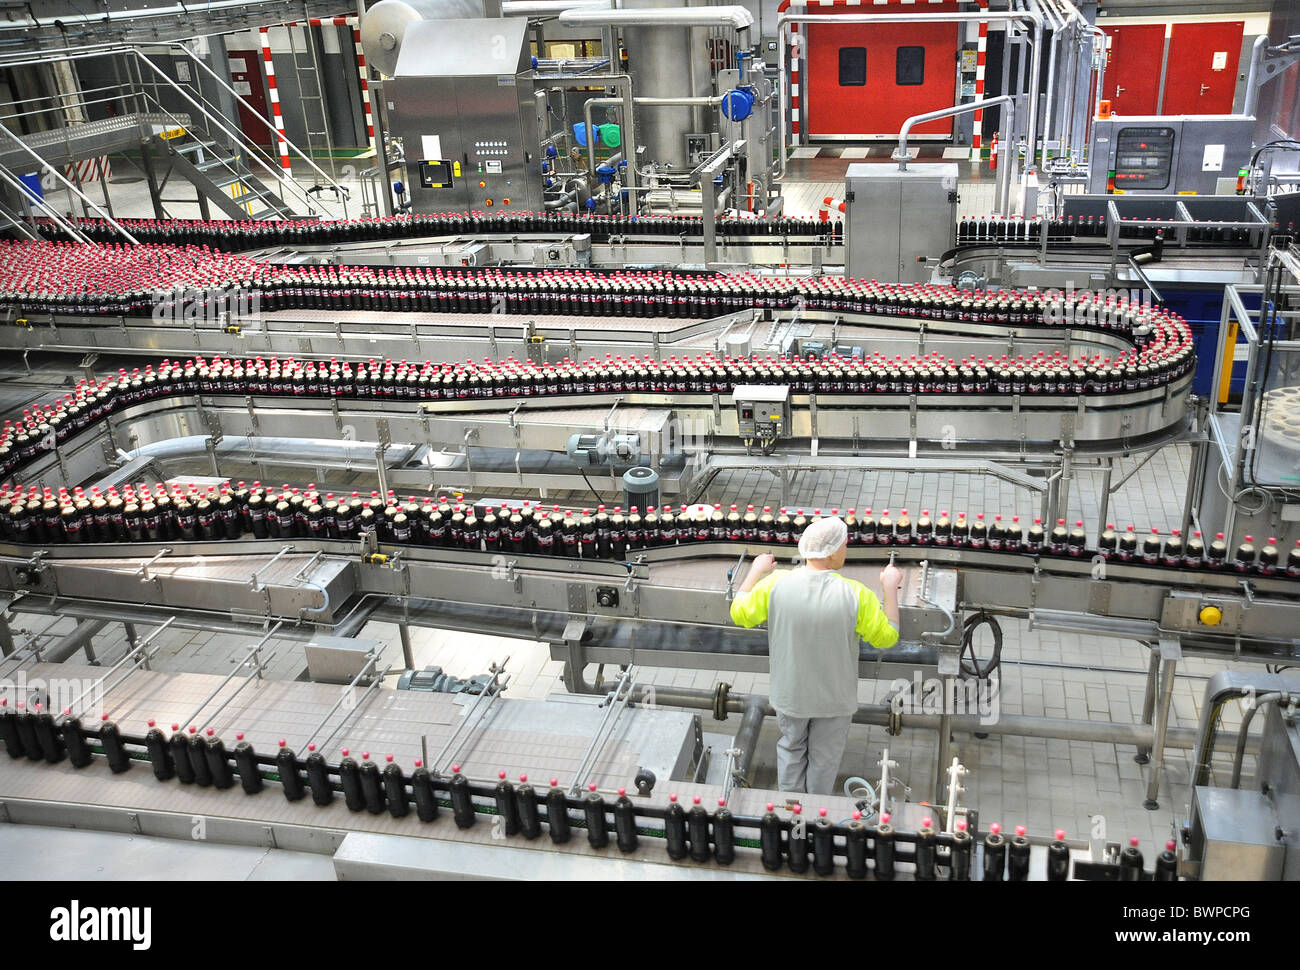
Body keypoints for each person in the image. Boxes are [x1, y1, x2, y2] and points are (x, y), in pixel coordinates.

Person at [729, 515, 901, 795]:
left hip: (791, 695)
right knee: (825, 759)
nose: (847, 549)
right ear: (833, 553)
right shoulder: (855, 594)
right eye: (846, 545)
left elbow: (739, 612)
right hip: (834, 699)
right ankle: (817, 817)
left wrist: (756, 570)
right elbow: (887, 636)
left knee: (791, 747)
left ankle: (790, 811)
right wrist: (889, 587)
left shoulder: (775, 584)